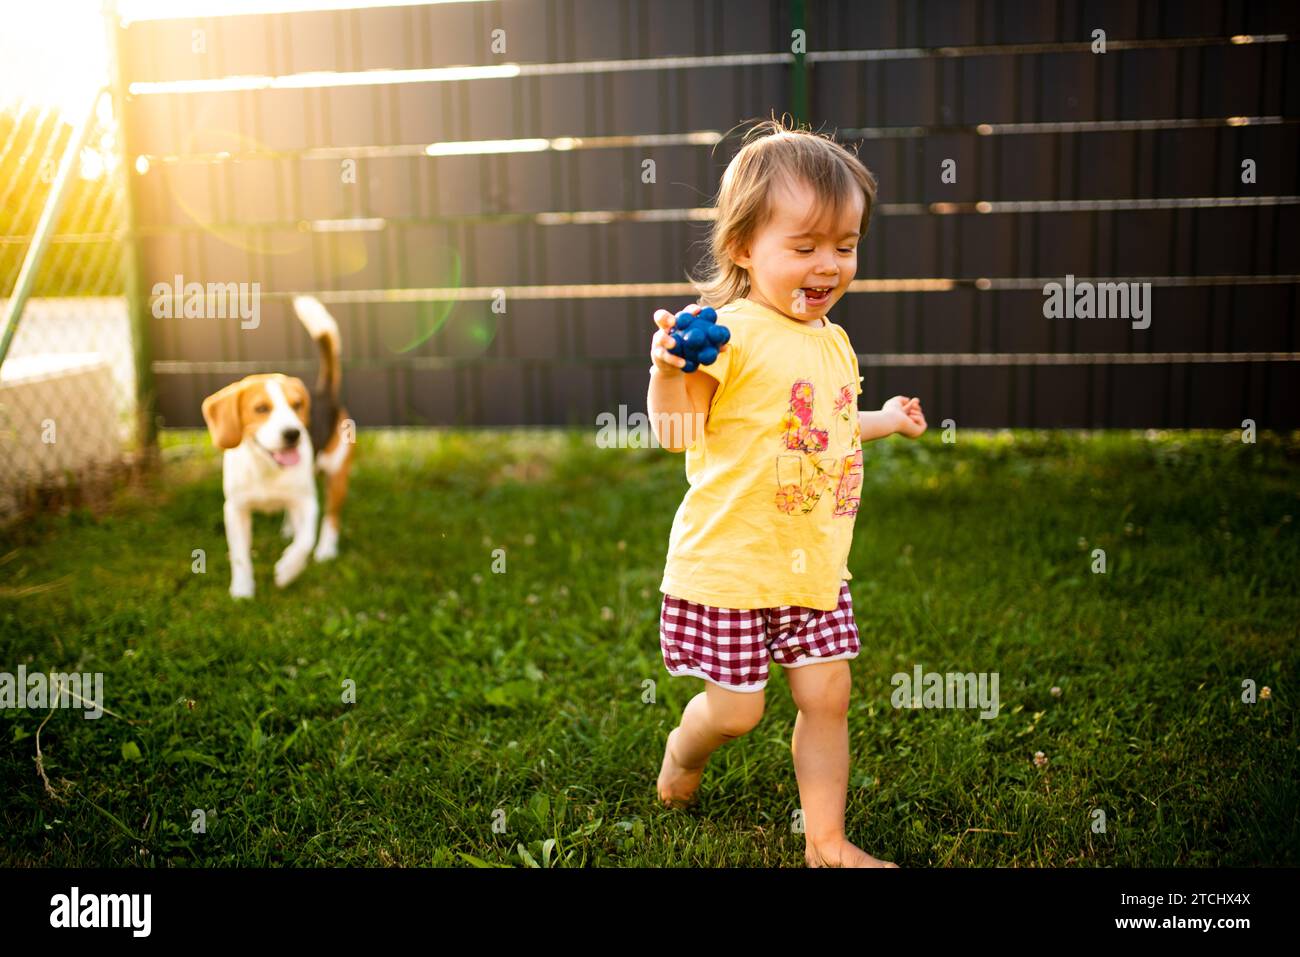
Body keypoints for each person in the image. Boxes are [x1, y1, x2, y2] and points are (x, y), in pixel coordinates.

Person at [646, 116, 927, 868]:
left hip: (813, 566)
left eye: (845, 246)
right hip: (734, 568)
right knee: (738, 712)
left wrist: (885, 420)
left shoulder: (833, 338)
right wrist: (668, 370)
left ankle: (825, 843)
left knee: (827, 696)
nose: (827, 265)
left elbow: (822, 427)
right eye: (803, 248)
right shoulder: (725, 334)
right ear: (743, 247)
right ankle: (683, 749)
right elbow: (677, 432)